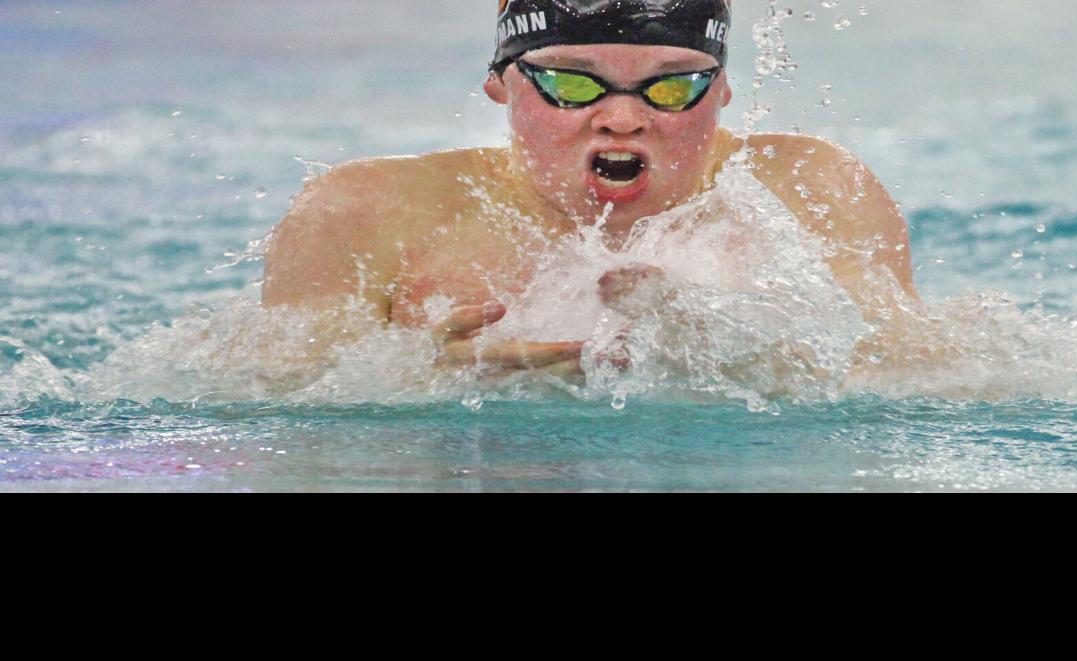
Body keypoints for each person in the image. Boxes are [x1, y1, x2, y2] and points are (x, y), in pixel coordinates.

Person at [260, 0, 916, 381]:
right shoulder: (368, 210)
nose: (624, 118)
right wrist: (416, 380)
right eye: (574, 84)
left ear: (721, 88)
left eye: (672, 86)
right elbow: (264, 407)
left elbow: (923, 375)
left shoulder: (810, 189)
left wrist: (739, 357)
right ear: (500, 80)